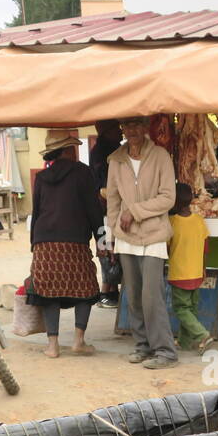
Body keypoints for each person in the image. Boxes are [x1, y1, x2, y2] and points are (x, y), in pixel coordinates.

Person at [105, 116, 177, 369]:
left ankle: (165, 351)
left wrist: (134, 211)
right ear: (122, 129)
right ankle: (143, 346)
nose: (132, 130)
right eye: (128, 125)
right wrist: (113, 231)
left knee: (151, 297)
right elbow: (112, 200)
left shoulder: (160, 156)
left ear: (146, 128)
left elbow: (168, 197)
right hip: (126, 237)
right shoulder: (116, 160)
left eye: (137, 125)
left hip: (154, 233)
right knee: (133, 295)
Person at [28, 130, 102, 358]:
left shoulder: (41, 177)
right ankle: (78, 341)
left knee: (48, 290)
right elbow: (93, 208)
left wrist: (34, 244)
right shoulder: (83, 172)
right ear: (69, 149)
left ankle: (52, 346)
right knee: (86, 287)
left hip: (44, 242)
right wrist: (101, 239)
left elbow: (37, 211)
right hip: (74, 240)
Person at [167, 182, 213, 352]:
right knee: (191, 309)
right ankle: (185, 343)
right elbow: (205, 247)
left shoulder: (171, 222)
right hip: (196, 272)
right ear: (191, 200)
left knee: (181, 309)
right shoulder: (199, 221)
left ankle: (203, 335)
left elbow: (167, 247)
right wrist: (203, 268)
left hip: (179, 274)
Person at [88, 119, 123, 309]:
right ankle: (105, 291)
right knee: (106, 248)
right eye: (116, 129)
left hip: (109, 207)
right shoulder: (102, 152)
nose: (121, 132)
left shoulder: (114, 148)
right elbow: (103, 184)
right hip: (104, 207)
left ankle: (111, 291)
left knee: (110, 247)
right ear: (106, 132)